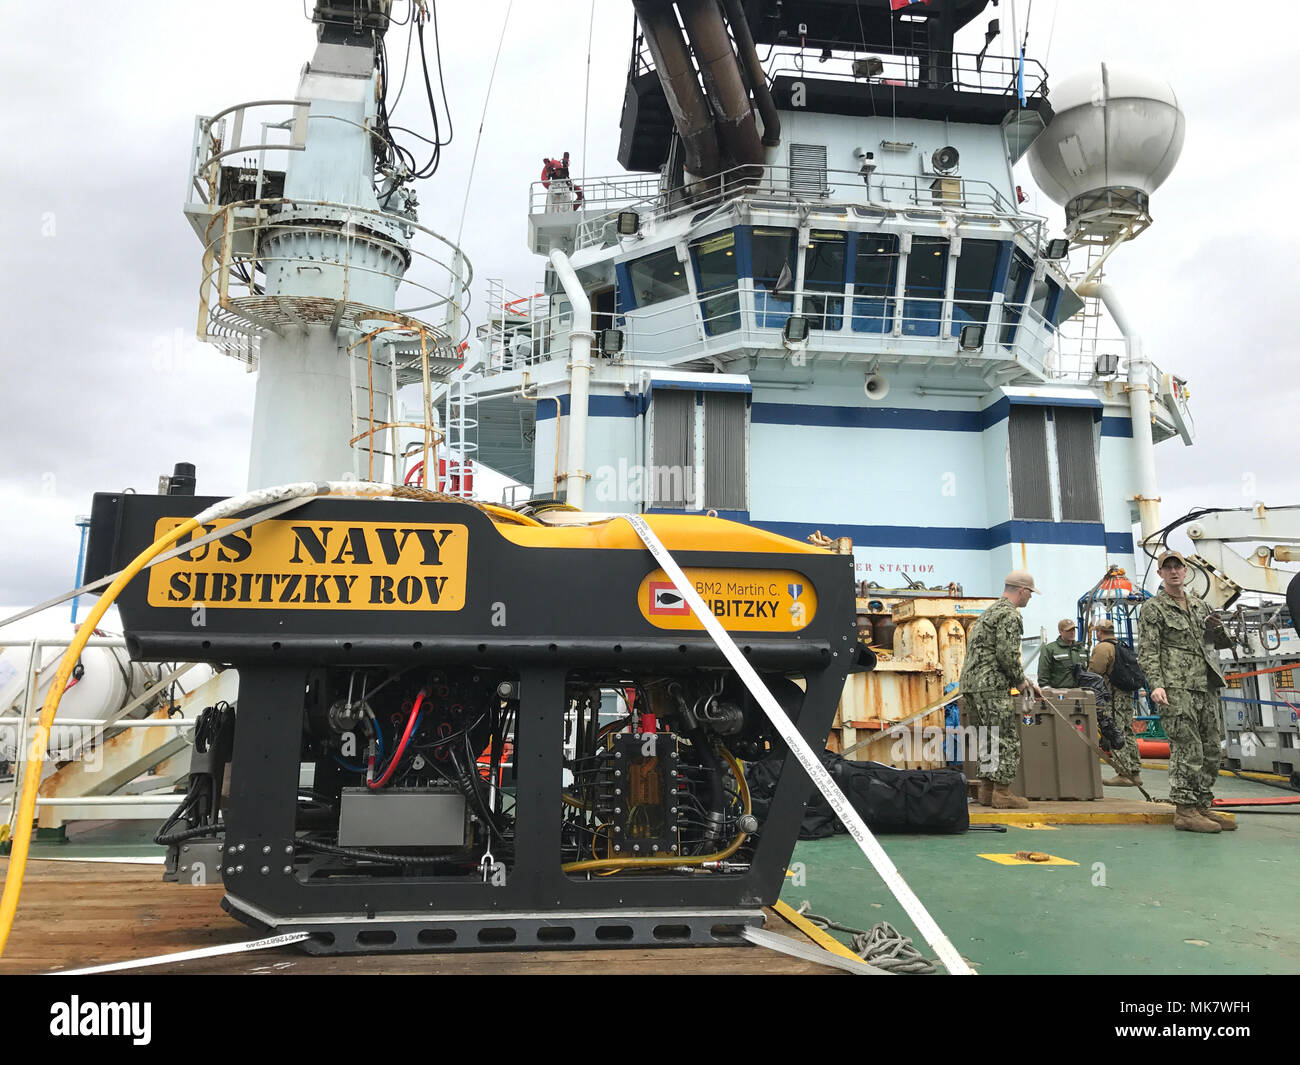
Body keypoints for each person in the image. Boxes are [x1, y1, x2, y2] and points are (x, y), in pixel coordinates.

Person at [1137, 550, 1234, 834]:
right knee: (1187, 748)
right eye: (1168, 568)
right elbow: (1147, 651)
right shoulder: (1154, 608)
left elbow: (1215, 645)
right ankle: (1185, 809)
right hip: (1176, 688)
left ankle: (1203, 804)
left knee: (1212, 748)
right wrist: (1156, 684)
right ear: (1160, 574)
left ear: (1185, 570)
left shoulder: (1200, 606)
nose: (1174, 572)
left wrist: (1221, 630)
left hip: (1205, 685)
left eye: (1178, 567)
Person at [960, 570, 1043, 809]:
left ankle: (987, 790)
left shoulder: (989, 612)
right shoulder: (1009, 615)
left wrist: (1024, 681)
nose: (1030, 598)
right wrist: (1019, 681)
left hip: (972, 685)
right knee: (1005, 738)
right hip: (993, 686)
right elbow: (1006, 654)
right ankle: (1003, 793)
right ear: (1022, 591)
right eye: (1030, 593)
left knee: (987, 737)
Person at [1088, 619, 1142, 788]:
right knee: (1128, 731)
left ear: (1099, 632)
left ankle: (1123, 773)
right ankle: (1134, 772)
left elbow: (1094, 673)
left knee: (1115, 732)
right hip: (1126, 695)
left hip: (1112, 697)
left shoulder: (1103, 648)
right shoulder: (1123, 646)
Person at [1037, 618, 1089, 689]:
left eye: (1073, 630)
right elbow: (1043, 674)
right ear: (1060, 631)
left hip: (1082, 692)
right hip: (1059, 693)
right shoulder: (1050, 649)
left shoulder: (1082, 649)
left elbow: (1089, 670)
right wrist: (1048, 691)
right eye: (1068, 630)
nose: (1072, 633)